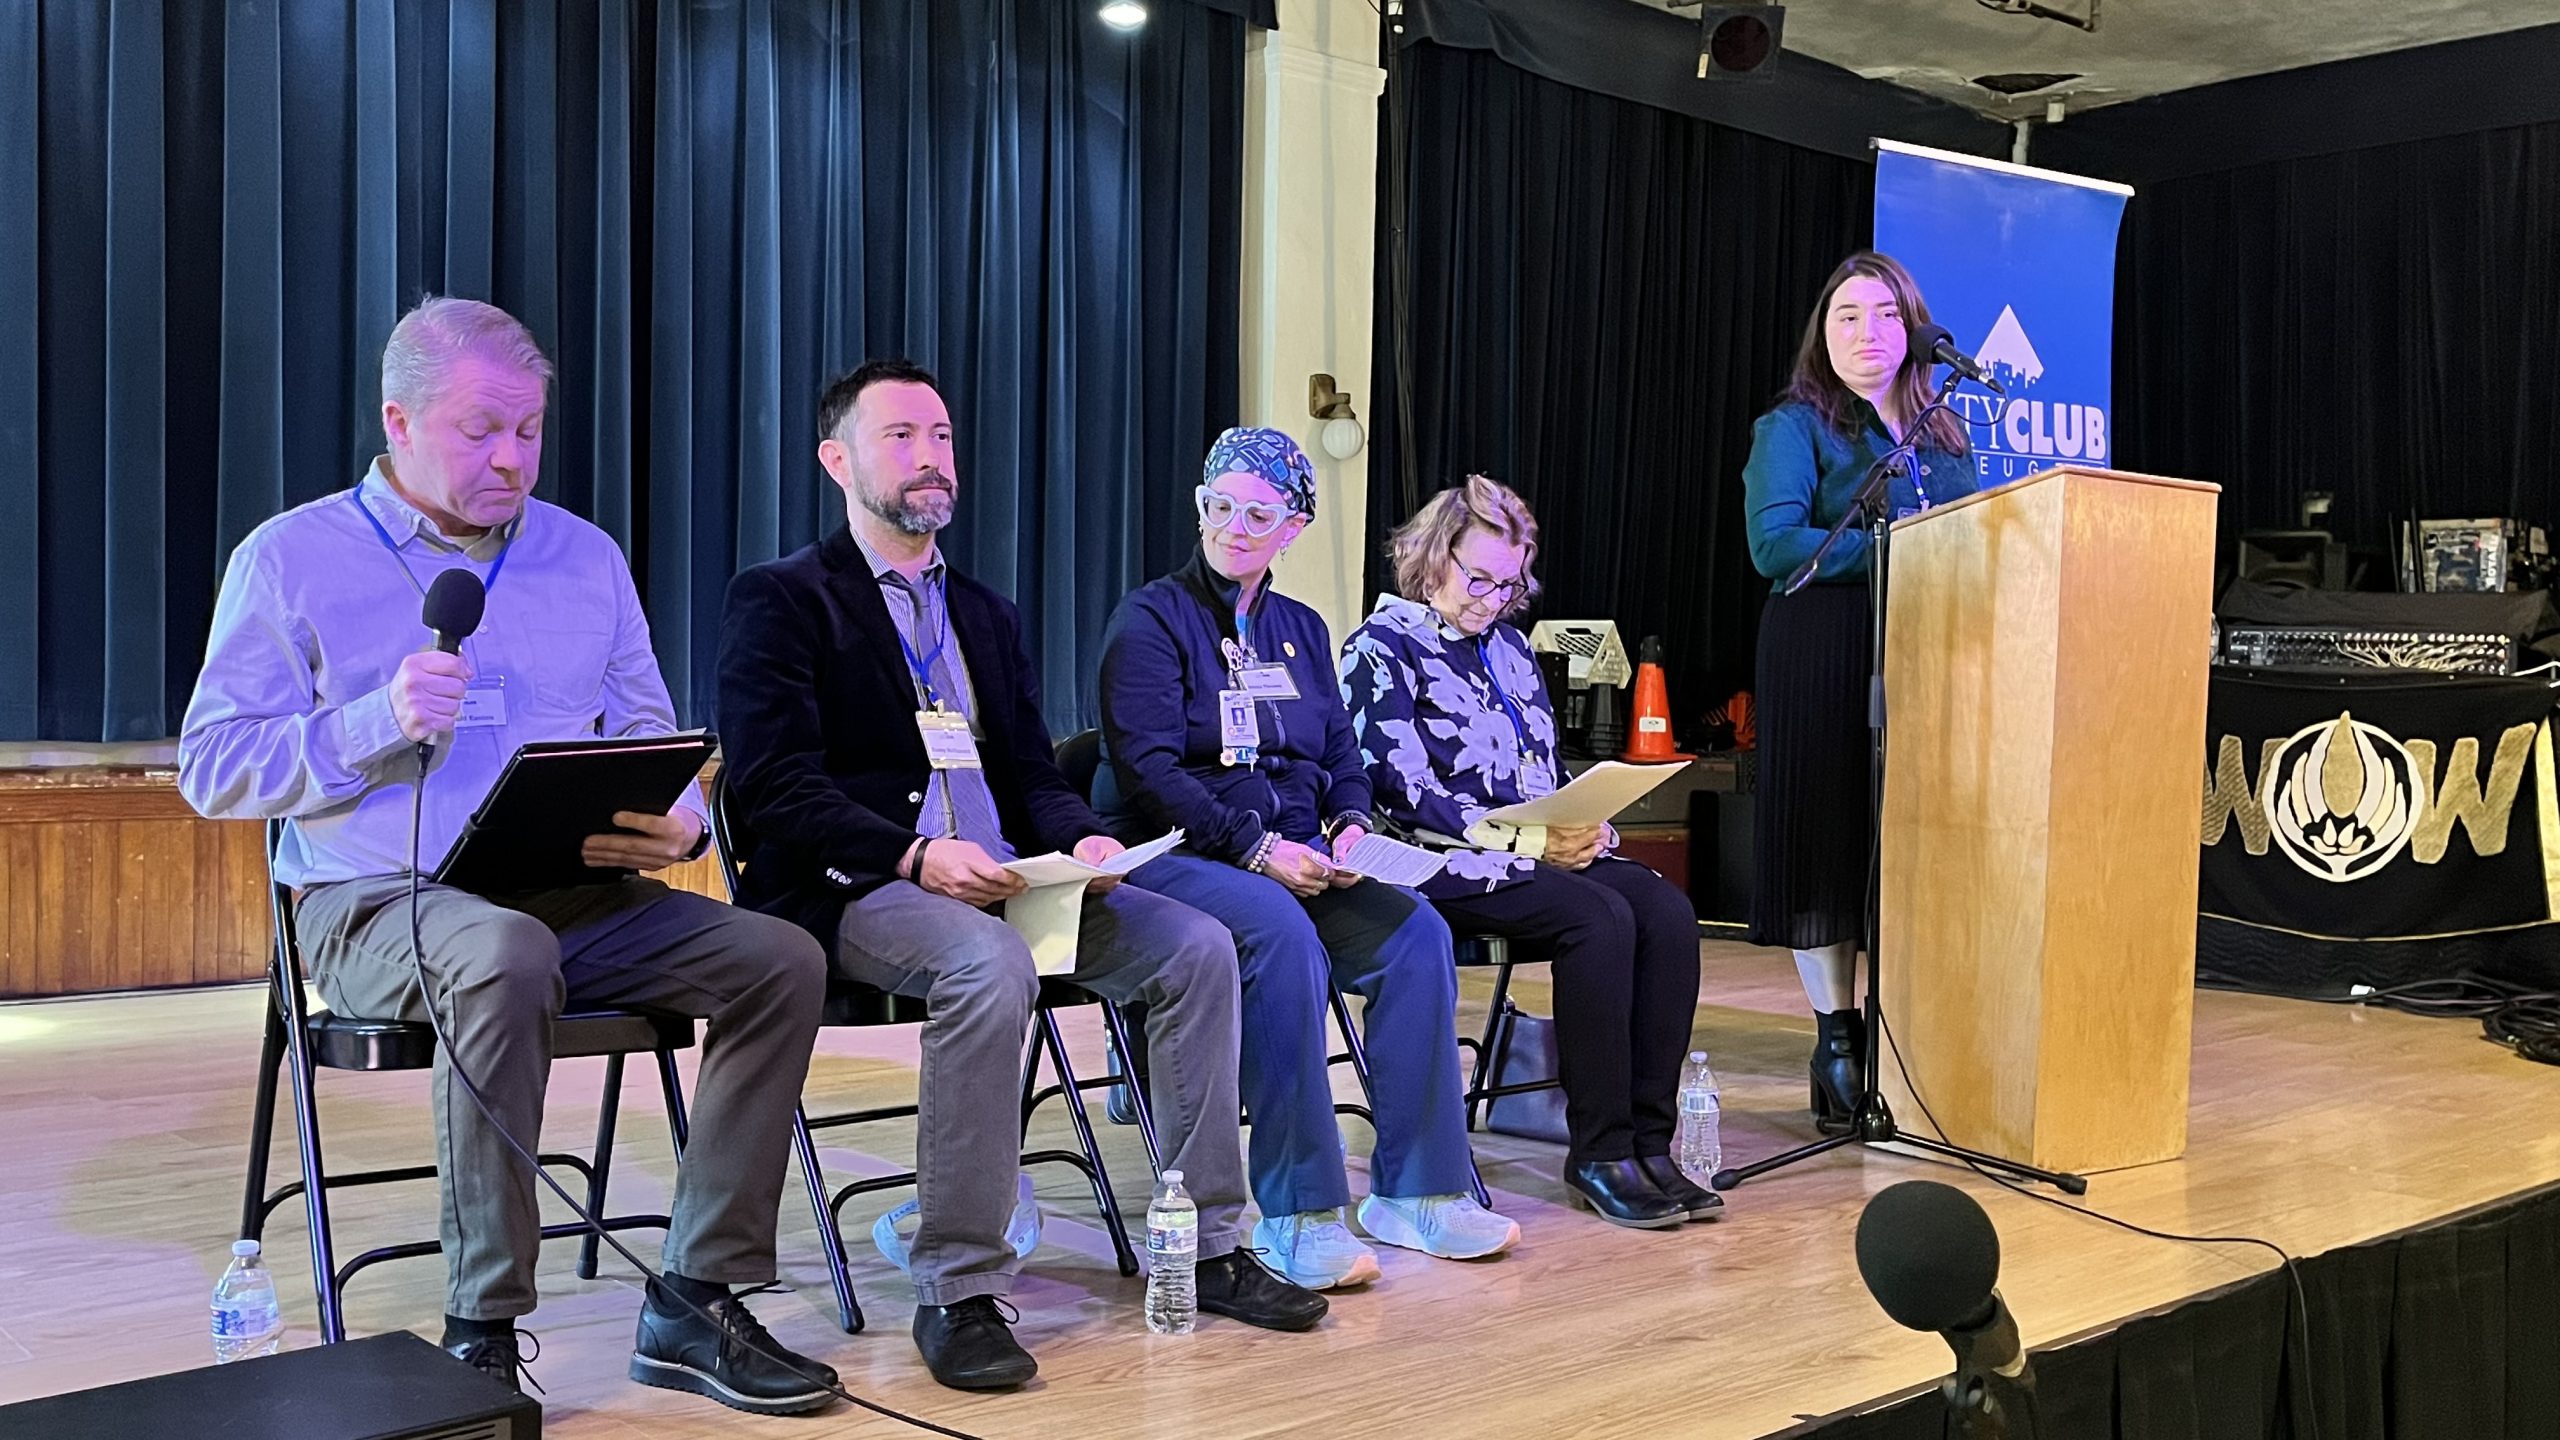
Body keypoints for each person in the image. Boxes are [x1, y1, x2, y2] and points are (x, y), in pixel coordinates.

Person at [176, 296, 837, 1417]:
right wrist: (372, 719)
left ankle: (695, 1295)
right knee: (506, 953)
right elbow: (213, 767)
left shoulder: (583, 555)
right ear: (399, 419)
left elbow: (644, 730)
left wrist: (672, 816)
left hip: (573, 891)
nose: (512, 457)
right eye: (482, 429)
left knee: (779, 957)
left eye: (529, 430)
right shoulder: (290, 558)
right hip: (374, 900)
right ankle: (480, 1327)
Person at [715, 362, 1325, 1393]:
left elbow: (1034, 774)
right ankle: (958, 1287)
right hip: (859, 884)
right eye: (901, 436)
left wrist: (1085, 844)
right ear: (837, 460)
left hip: (1009, 879)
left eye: (942, 436)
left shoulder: (985, 613)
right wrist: (909, 853)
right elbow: (771, 786)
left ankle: (1210, 1245)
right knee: (987, 965)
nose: (929, 457)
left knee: (1196, 946)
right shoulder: (782, 598)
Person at [1095, 426, 1519, 1292]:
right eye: (1220, 506)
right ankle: (1297, 1211)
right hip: (1175, 852)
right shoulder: (1150, 618)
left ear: (1294, 527)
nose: (1234, 527)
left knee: (1414, 933)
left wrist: (1354, 827)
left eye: (1260, 513)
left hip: (1293, 853)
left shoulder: (1300, 626)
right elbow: (1148, 770)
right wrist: (1256, 850)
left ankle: (1420, 1189)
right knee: (1281, 933)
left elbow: (1339, 756)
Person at [1339, 475, 1717, 1229]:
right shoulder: (1379, 649)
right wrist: (1531, 839)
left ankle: (1650, 1145)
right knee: (1599, 918)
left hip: (1534, 848)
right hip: (1438, 855)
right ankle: (1600, 1151)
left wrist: (1589, 825)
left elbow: (1542, 773)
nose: (1491, 598)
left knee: (1668, 914)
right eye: (1477, 578)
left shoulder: (1511, 647)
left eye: (1508, 586)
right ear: (1431, 557)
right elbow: (1402, 788)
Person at [1740, 251, 1976, 1131]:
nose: (1864, 333)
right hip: (1824, 647)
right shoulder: (1795, 427)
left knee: (1908, 841)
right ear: (1822, 333)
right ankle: (1838, 1039)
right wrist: (1892, 550)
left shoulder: (1945, 432)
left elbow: (1974, 534)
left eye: (1882, 315)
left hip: (1926, 648)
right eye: (1845, 316)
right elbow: (1776, 547)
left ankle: (1910, 1032)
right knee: (1828, 838)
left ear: (1913, 328)